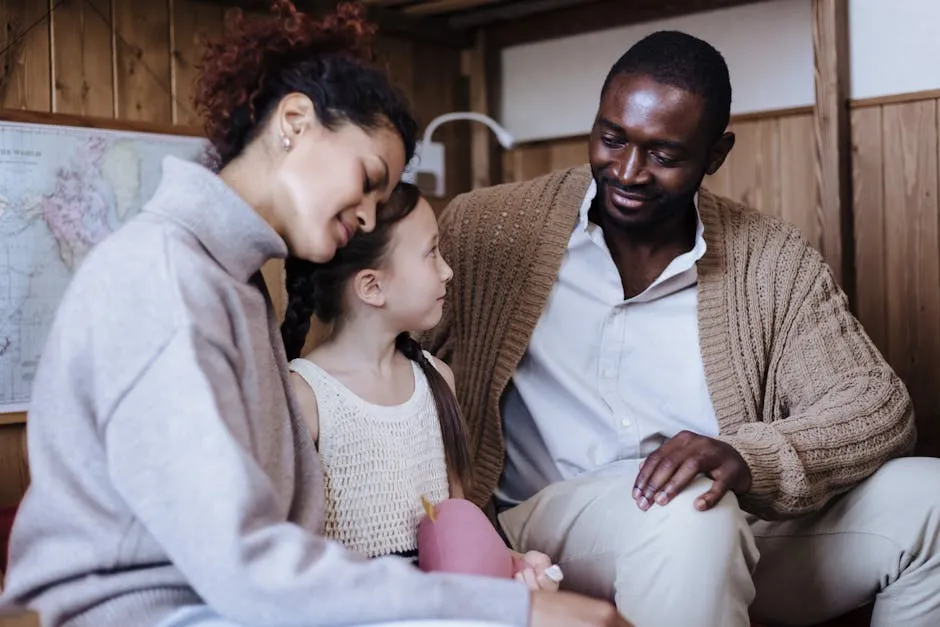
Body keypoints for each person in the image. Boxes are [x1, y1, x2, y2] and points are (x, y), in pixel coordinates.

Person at [0, 3, 631, 627]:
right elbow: (243, 567)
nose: (364, 215)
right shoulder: (165, 280)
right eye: (368, 178)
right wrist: (512, 607)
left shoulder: (233, 282)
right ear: (295, 122)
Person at [424, 29, 940, 627]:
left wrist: (749, 458)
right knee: (689, 509)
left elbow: (876, 405)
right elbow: (391, 359)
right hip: (544, 534)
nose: (627, 171)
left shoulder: (768, 257)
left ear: (715, 155)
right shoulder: (489, 227)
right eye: (611, 138)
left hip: (719, 532)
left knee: (928, 496)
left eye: (664, 155)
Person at [280, 182, 558, 592]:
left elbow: (460, 528)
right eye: (431, 253)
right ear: (372, 286)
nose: (447, 270)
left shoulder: (435, 378)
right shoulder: (306, 398)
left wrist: (513, 565)